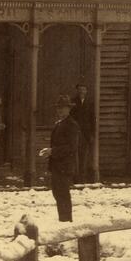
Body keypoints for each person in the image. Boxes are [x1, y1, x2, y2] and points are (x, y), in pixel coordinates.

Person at [43, 94, 81, 223]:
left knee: (63, 195)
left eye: (63, 108)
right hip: (57, 166)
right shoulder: (59, 124)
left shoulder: (72, 125)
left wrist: (53, 151)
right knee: (58, 194)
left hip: (65, 166)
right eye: (58, 108)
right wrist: (50, 151)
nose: (60, 110)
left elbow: (71, 147)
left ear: (69, 109)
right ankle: (63, 220)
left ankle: (67, 221)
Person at [70, 82, 96, 180]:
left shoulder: (90, 103)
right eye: (80, 89)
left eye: (84, 89)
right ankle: (75, 176)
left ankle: (83, 175)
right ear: (77, 91)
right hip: (76, 132)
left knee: (84, 154)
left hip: (86, 133)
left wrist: (92, 134)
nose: (82, 91)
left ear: (86, 91)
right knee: (74, 154)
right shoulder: (73, 102)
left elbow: (93, 119)